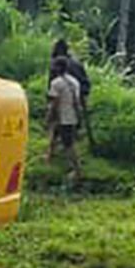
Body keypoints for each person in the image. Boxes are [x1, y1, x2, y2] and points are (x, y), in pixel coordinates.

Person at [47, 56, 84, 186]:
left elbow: (54, 103)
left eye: (54, 66)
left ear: (58, 68)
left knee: (69, 145)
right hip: (72, 116)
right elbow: (77, 101)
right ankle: (49, 157)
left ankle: (77, 171)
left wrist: (49, 116)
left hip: (63, 118)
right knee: (54, 134)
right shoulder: (75, 81)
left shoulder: (56, 83)